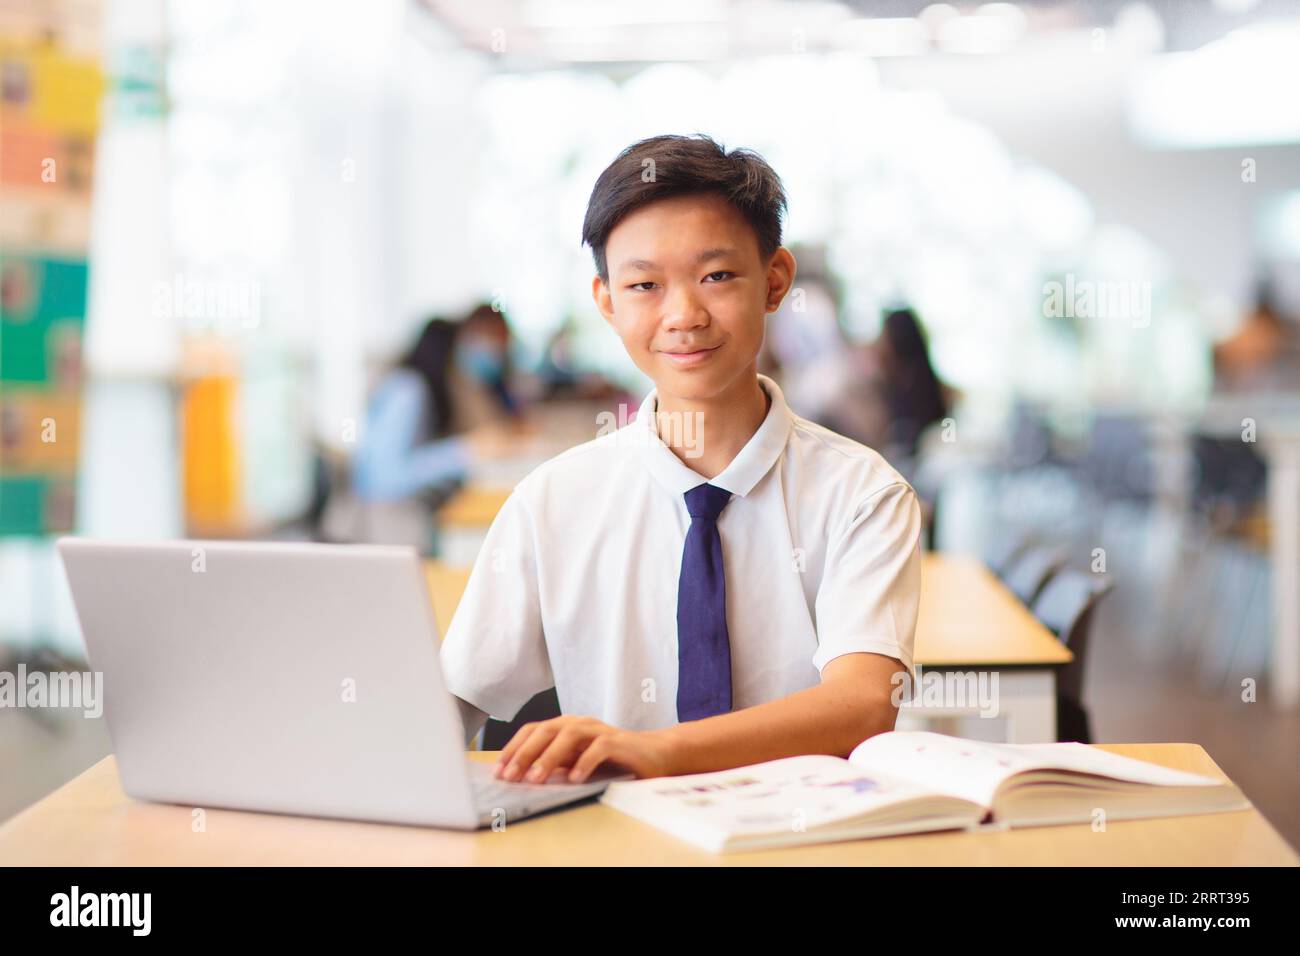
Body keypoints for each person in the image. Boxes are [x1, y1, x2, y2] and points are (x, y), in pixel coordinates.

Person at [439, 134, 922, 784]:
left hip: (802, 839)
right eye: (644, 285)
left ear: (775, 281)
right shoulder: (552, 503)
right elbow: (452, 702)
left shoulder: (862, 493)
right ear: (607, 302)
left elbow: (864, 703)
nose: (683, 315)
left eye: (716, 276)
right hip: (617, 845)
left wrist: (655, 752)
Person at [332, 306, 520, 547]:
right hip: (382, 530)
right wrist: (465, 451)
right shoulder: (408, 390)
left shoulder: (416, 388)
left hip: (398, 525)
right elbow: (385, 479)